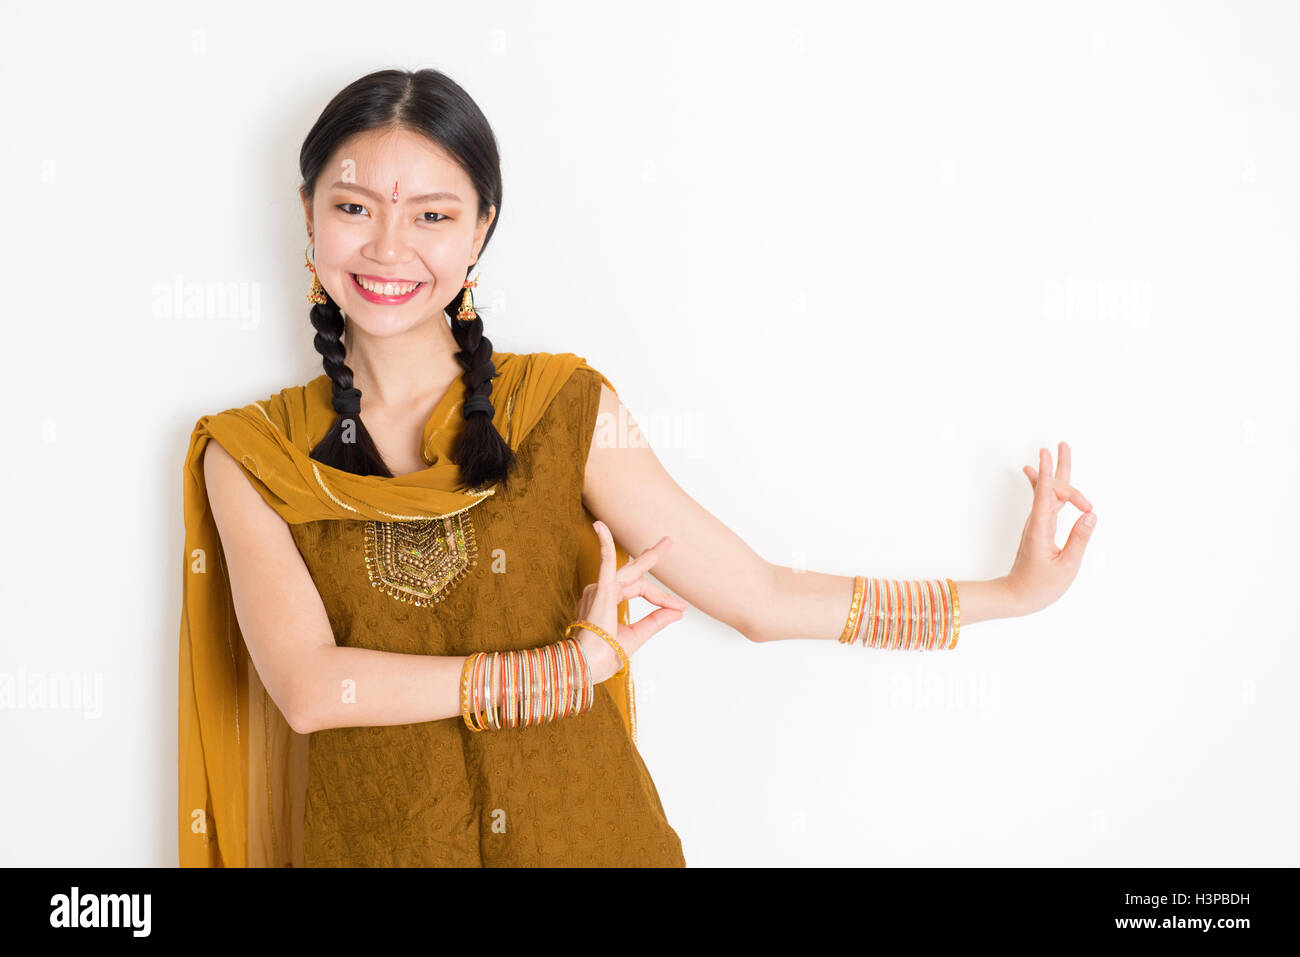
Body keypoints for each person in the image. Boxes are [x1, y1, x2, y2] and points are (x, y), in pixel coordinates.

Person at [178, 68, 1097, 868]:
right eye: (354, 208)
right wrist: (558, 672)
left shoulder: (564, 411)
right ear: (309, 215)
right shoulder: (254, 455)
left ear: (479, 233)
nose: (387, 248)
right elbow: (306, 689)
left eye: (432, 214)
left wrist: (1007, 595)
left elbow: (761, 597)